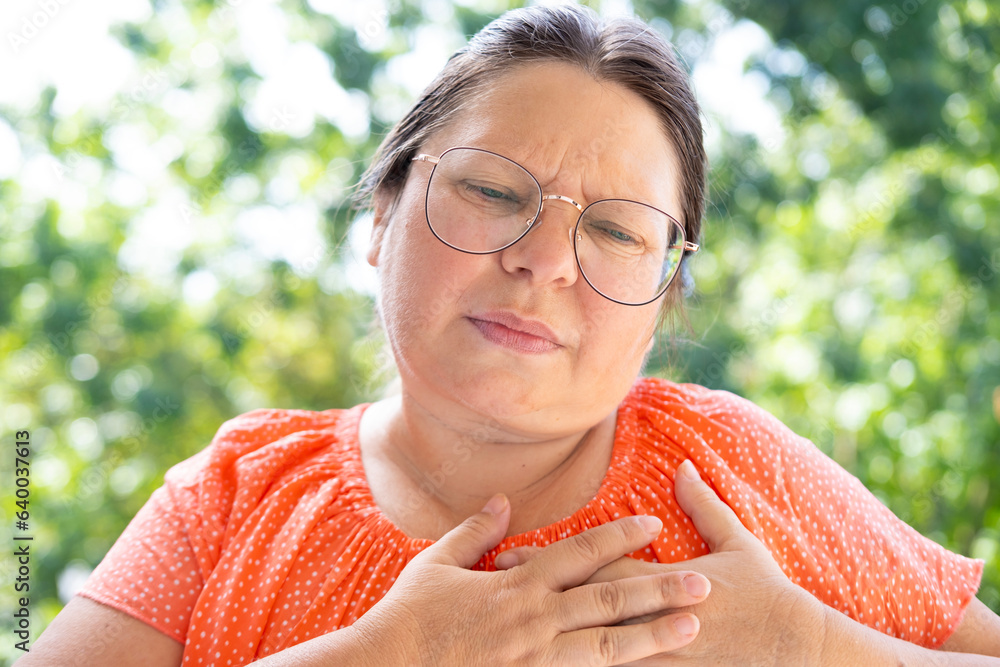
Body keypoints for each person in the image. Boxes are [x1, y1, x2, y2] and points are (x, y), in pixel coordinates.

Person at [22, 4, 1000, 666]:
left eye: (615, 230)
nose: (544, 259)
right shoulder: (228, 500)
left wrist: (811, 644)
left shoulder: (730, 469)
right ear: (379, 216)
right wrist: (382, 653)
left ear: (663, 295)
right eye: (492, 191)